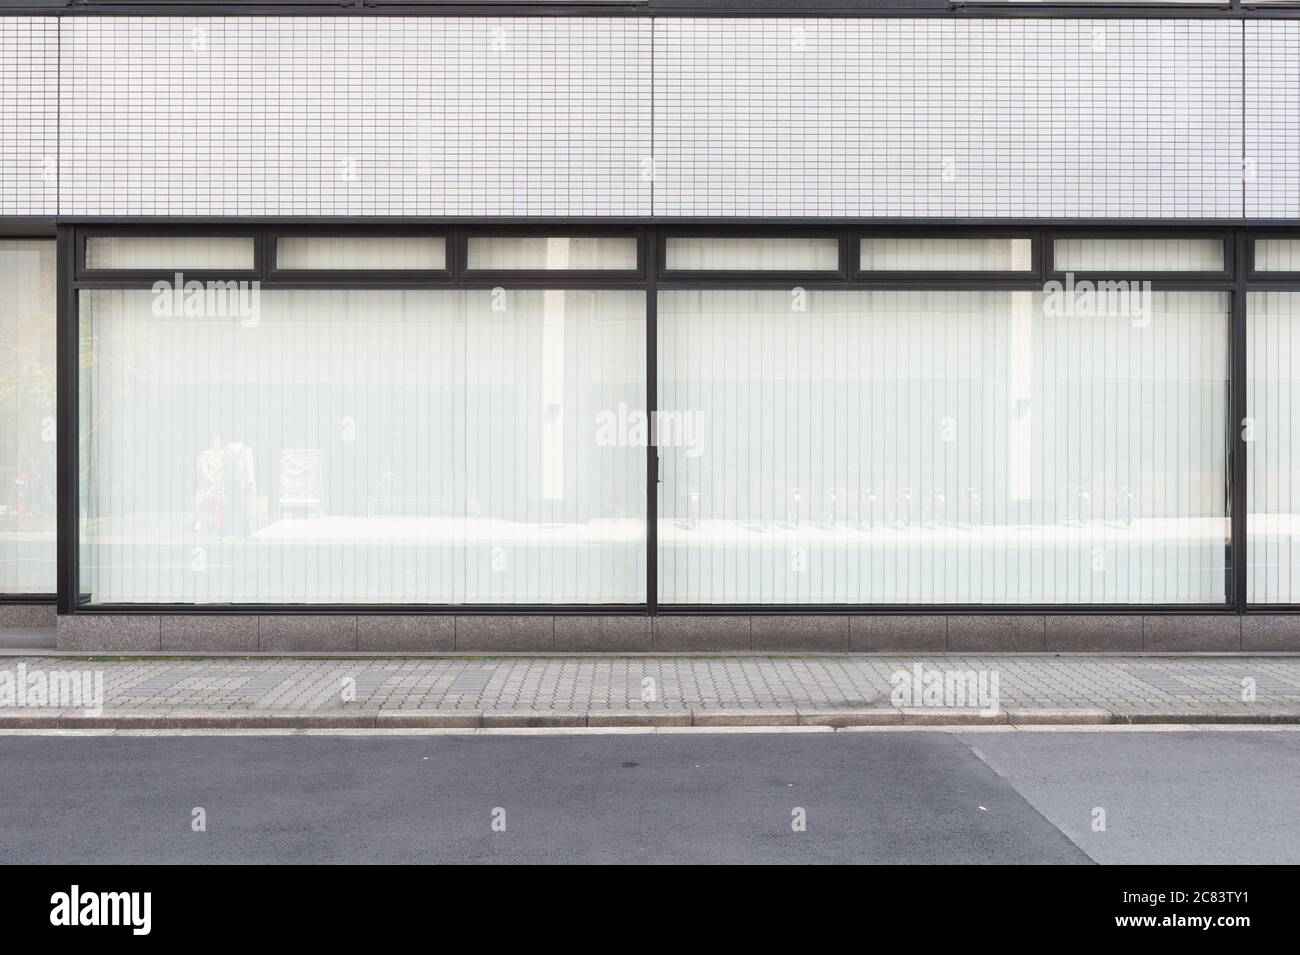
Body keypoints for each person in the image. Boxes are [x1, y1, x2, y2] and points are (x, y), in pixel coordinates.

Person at [194, 435, 223, 532]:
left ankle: (212, 520)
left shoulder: (222, 454)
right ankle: (198, 521)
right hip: (206, 482)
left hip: (218, 483)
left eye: (219, 442)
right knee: (203, 501)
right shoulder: (205, 454)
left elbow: (224, 468)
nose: (217, 444)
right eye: (215, 442)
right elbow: (203, 468)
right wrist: (210, 479)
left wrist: (219, 479)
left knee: (215, 502)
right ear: (211, 443)